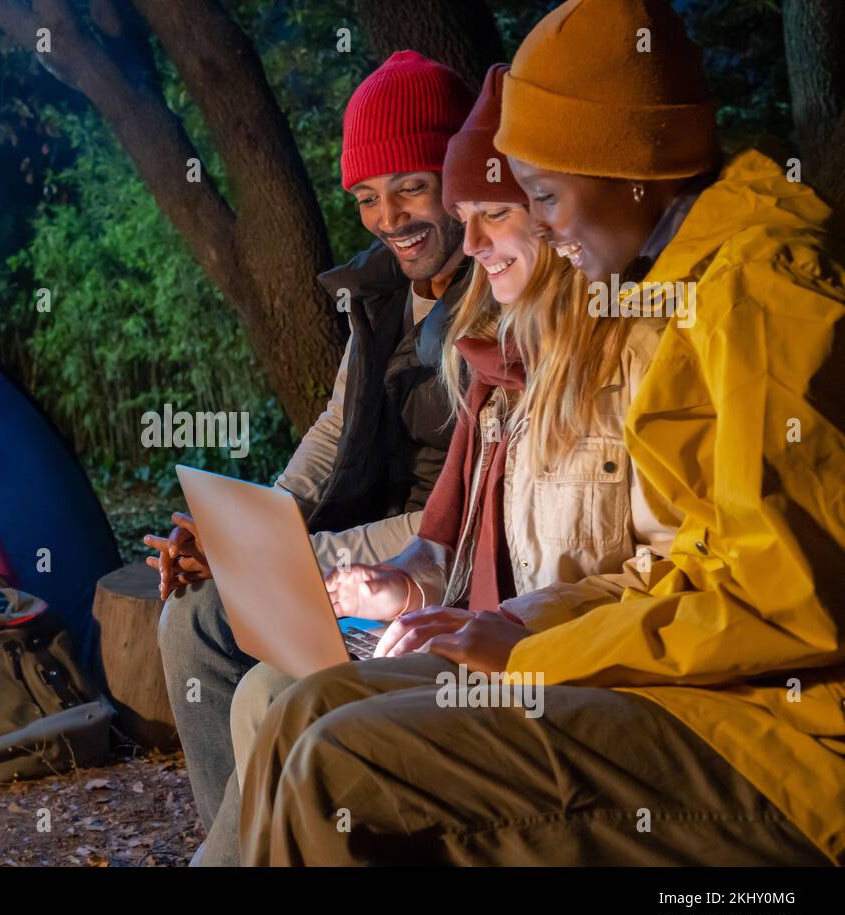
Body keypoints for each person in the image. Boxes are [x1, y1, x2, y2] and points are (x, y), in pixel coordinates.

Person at [239, 0, 844, 867]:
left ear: (633, 170)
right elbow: (687, 567)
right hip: (690, 685)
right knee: (303, 709)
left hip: (773, 736)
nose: (542, 228)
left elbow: (782, 604)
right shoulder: (683, 284)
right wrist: (521, 622)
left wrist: (538, 647)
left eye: (543, 197)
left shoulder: (758, 292)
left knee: (341, 763)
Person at [212, 61, 672, 865]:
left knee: (318, 733)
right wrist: (402, 583)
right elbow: (445, 533)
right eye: (466, 215)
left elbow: (676, 579)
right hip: (489, 642)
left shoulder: (643, 350)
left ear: (559, 214)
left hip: (570, 673)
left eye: (493, 213)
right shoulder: (498, 358)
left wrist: (504, 624)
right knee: (261, 685)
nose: (471, 241)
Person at [143, 51, 475, 858]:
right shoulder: (381, 293)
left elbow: (467, 510)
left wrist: (285, 559)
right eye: (366, 196)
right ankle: (246, 839)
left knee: (240, 646)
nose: (387, 217)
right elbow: (329, 439)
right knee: (187, 616)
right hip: (370, 546)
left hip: (438, 557)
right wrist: (239, 538)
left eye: (410, 186)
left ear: (461, 173)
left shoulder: (500, 287)